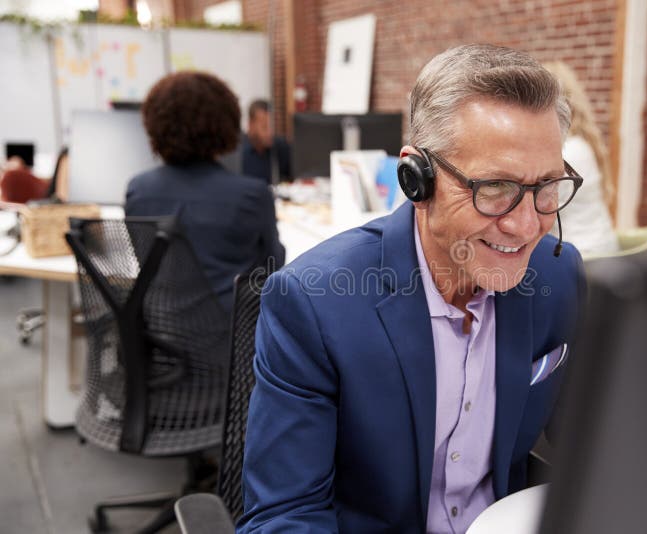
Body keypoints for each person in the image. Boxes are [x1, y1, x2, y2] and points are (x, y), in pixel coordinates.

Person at [239, 44, 585, 533]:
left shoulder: (558, 274)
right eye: (495, 189)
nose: (527, 225)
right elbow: (283, 516)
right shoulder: (315, 303)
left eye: (546, 187)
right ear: (415, 179)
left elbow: (594, 444)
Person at [125, 71, 285, 311]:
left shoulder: (138, 190)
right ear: (226, 124)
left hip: (160, 337)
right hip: (232, 342)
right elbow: (273, 267)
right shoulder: (251, 195)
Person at [544, 61, 619, 254]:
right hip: (604, 243)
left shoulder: (565, 152)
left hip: (581, 254)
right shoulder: (583, 143)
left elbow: (540, 210)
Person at [220, 99, 292, 183]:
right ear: (251, 124)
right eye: (265, 127)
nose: (270, 132)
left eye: (273, 127)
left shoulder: (281, 148)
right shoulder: (235, 151)